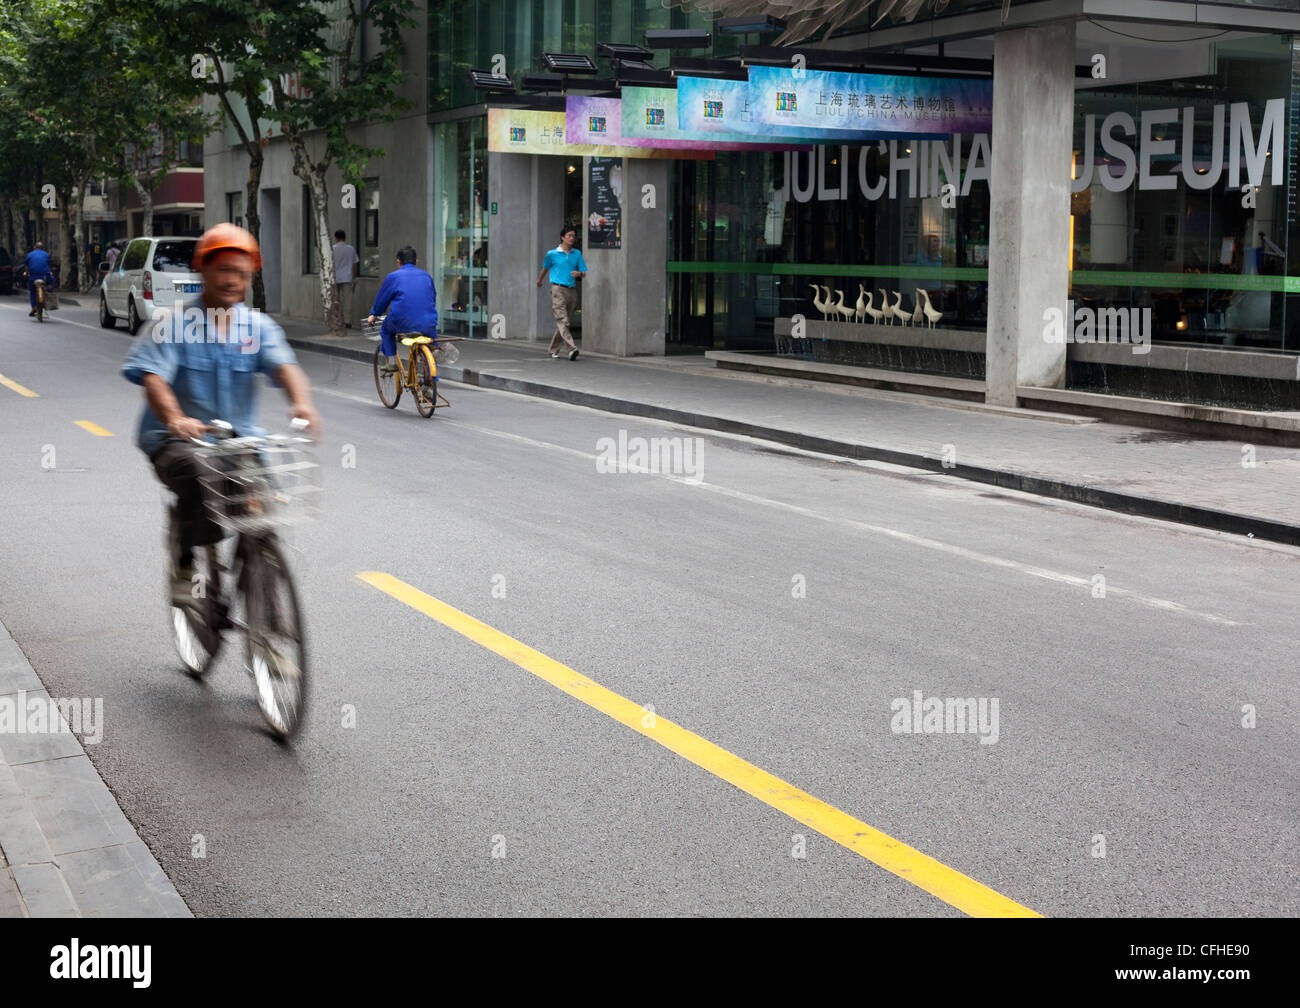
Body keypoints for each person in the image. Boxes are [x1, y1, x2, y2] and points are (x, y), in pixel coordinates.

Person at [121, 223, 321, 604]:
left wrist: (302, 404)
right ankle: (184, 560)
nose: (233, 280)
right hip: (177, 441)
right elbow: (153, 379)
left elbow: (285, 368)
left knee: (263, 518)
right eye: (225, 270)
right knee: (197, 475)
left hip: (241, 445)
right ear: (203, 270)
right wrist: (176, 419)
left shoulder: (257, 327)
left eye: (242, 274)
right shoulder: (172, 323)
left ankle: (268, 623)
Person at [366, 245, 438, 375]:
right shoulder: (426, 277)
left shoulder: (393, 277)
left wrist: (374, 314)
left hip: (401, 322)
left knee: (385, 329)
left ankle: (392, 362)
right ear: (416, 262)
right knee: (431, 341)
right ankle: (431, 380)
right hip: (428, 322)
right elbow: (432, 298)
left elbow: (382, 300)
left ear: (398, 262)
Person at [535, 225, 586, 360]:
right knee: (563, 320)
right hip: (557, 289)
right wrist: (539, 281)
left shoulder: (577, 254)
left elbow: (584, 272)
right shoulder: (552, 254)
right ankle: (572, 348)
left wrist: (579, 273)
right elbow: (545, 268)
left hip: (572, 291)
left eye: (574, 236)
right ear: (562, 237)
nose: (572, 238)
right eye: (569, 235)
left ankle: (553, 349)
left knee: (564, 322)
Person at [331, 229, 359, 329]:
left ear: (336, 238)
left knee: (335, 300)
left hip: (335, 278)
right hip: (347, 277)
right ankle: (347, 321)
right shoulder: (350, 249)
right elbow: (355, 264)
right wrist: (354, 277)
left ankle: (337, 320)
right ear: (344, 237)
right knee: (348, 300)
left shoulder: (332, 249)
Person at [24, 242, 52, 317]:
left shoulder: (30, 254)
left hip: (33, 276)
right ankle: (49, 288)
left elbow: (26, 265)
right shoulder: (46, 254)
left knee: (32, 292)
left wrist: (26, 273)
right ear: (43, 248)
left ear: (34, 247)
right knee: (51, 281)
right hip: (44, 276)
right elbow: (49, 265)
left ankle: (34, 307)